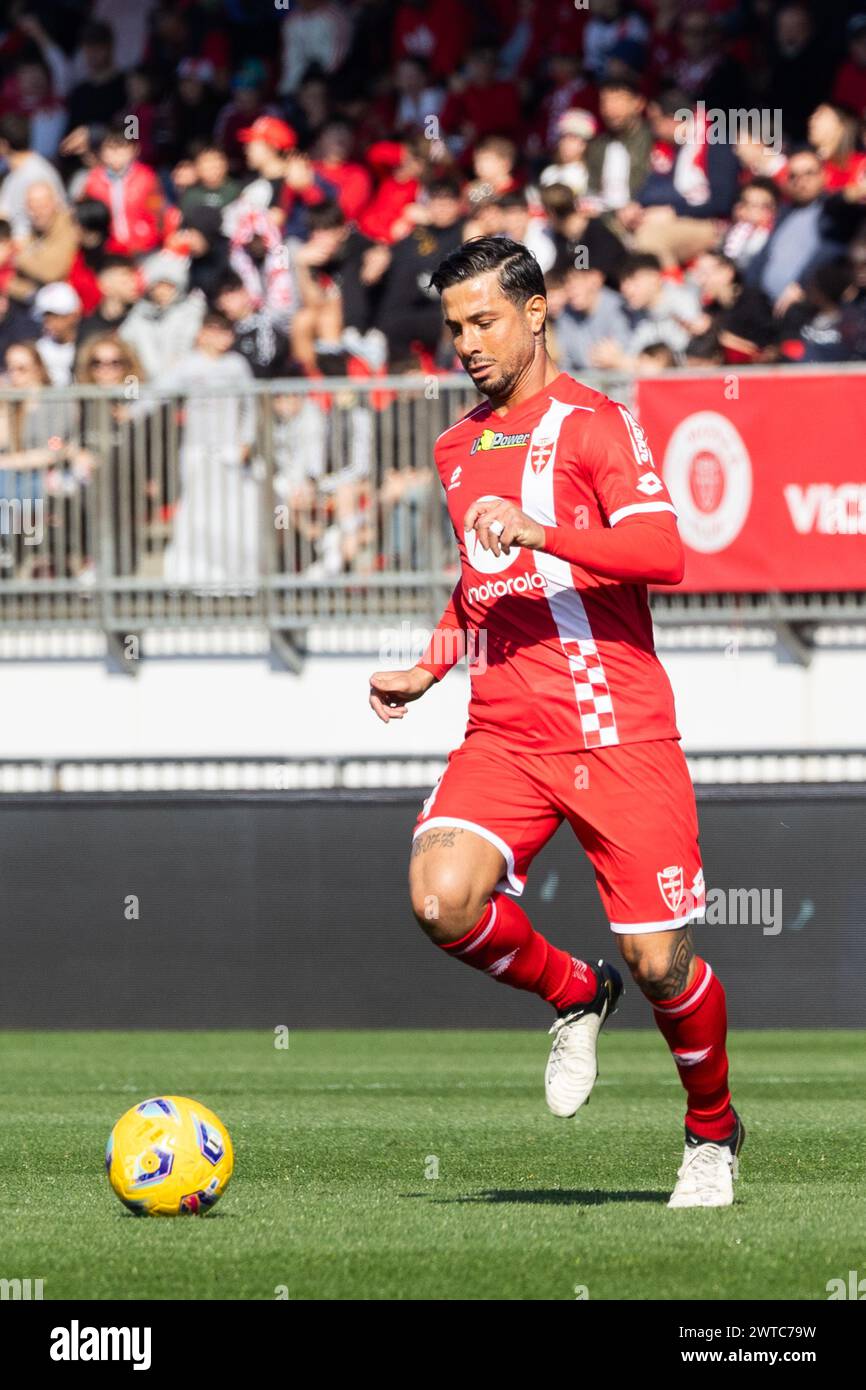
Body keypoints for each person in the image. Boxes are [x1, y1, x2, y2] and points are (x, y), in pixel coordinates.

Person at [368, 236, 744, 1208]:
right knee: (439, 900)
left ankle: (710, 1133)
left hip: (617, 729)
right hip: (504, 731)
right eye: (454, 326)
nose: (466, 342)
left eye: (483, 319)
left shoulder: (594, 424)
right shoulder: (458, 447)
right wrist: (427, 667)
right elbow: (478, 587)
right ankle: (571, 991)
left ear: (536, 313)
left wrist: (545, 531)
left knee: (661, 960)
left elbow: (663, 552)